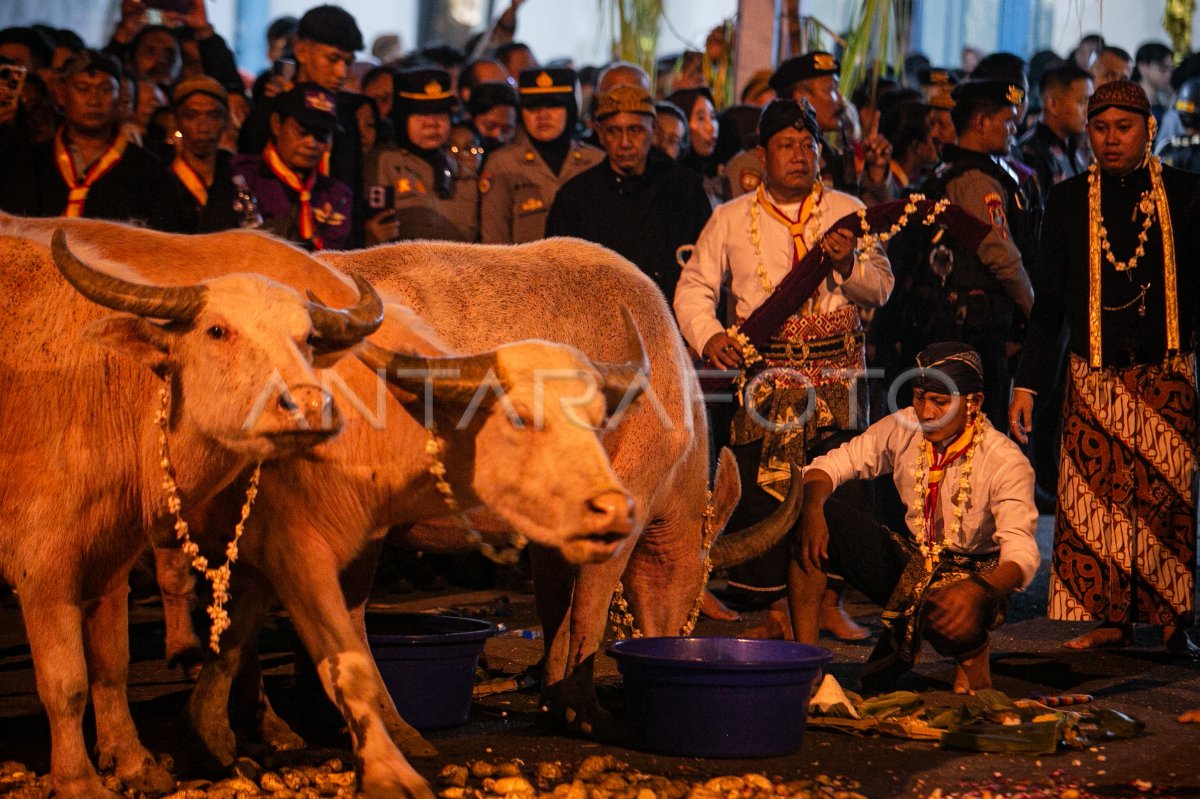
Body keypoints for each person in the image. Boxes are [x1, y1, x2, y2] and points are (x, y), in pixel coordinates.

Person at [674, 98, 893, 631]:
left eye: (808, 146)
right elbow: (694, 289)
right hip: (767, 382)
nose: (798, 156)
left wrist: (845, 264)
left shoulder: (849, 210)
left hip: (838, 379)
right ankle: (775, 609)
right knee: (764, 493)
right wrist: (710, 338)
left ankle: (827, 604)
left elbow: (882, 286)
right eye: (785, 146)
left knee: (838, 490)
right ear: (761, 155)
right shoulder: (728, 217)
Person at [1010, 80, 1200, 657]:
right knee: (1098, 504)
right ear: (1088, 131)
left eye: (1124, 127)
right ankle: (1112, 620)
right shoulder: (1069, 201)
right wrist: (1027, 384)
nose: (1111, 139)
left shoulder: (1189, 194)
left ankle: (1174, 624)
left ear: (1148, 128)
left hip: (1167, 375)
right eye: (1100, 128)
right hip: (1093, 378)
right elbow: (1047, 309)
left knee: (1168, 502)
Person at [791, 342, 1040, 692]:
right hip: (914, 562)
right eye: (920, 397)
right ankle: (806, 668)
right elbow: (833, 464)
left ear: (975, 403)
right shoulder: (905, 425)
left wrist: (978, 590)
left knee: (952, 604)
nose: (925, 412)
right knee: (808, 513)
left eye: (940, 402)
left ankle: (973, 649)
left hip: (972, 580)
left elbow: (1023, 556)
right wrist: (814, 508)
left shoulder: (1004, 461)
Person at [906, 79, 1037, 425]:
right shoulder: (977, 181)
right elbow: (1001, 256)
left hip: (959, 326)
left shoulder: (954, 170)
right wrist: (1034, 312)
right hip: (973, 330)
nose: (1014, 129)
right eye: (1007, 120)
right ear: (980, 122)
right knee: (978, 431)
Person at [546, 84, 710, 302]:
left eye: (635, 130)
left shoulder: (684, 189)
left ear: (653, 130)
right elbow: (559, 277)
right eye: (613, 131)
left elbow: (705, 269)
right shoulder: (576, 197)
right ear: (600, 135)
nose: (624, 143)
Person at [11, 49, 180, 229]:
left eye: (106, 89)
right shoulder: (31, 161)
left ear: (120, 98)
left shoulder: (148, 170)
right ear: (61, 95)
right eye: (83, 89)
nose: (94, 101)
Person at [726, 52, 895, 205]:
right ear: (801, 97)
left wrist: (876, 172)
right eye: (831, 90)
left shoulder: (834, 160)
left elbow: (865, 228)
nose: (840, 101)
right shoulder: (755, 163)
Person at [239, 4, 364, 199]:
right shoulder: (272, 110)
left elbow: (350, 187)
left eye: (348, 62)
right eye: (333, 59)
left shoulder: (345, 115)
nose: (342, 73)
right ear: (301, 50)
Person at [479, 67, 602, 244]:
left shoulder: (595, 161)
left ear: (570, 109)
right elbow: (494, 245)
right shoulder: (503, 165)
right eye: (533, 107)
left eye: (553, 105)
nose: (543, 115)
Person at [231, 82, 352, 250]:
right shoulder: (240, 176)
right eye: (302, 132)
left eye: (322, 135)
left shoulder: (337, 195)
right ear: (276, 125)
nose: (311, 143)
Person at [365, 66, 479, 243]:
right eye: (421, 113)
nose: (433, 124)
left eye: (440, 113)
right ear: (402, 117)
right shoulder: (381, 163)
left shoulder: (464, 173)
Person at [169, 76, 254, 233]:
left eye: (213, 116)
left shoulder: (240, 174)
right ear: (176, 120)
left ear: (226, 121)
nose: (203, 126)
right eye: (191, 115)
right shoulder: (161, 177)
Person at [1019, 64, 1093, 203]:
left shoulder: (1075, 147)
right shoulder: (1031, 152)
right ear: (1053, 105)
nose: (1089, 110)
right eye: (1083, 101)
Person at [665, 87, 724, 203]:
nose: (711, 127)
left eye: (713, 117)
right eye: (701, 118)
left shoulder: (722, 174)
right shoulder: (674, 181)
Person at [1156, 77, 1200, 173]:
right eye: (1186, 121)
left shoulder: (1169, 146)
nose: (1190, 131)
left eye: (1195, 122)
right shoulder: (1169, 147)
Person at [1135, 42, 1173, 123]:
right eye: (1163, 69)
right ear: (1143, 67)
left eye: (1170, 69)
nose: (1168, 75)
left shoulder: (1166, 98)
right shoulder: (1130, 99)